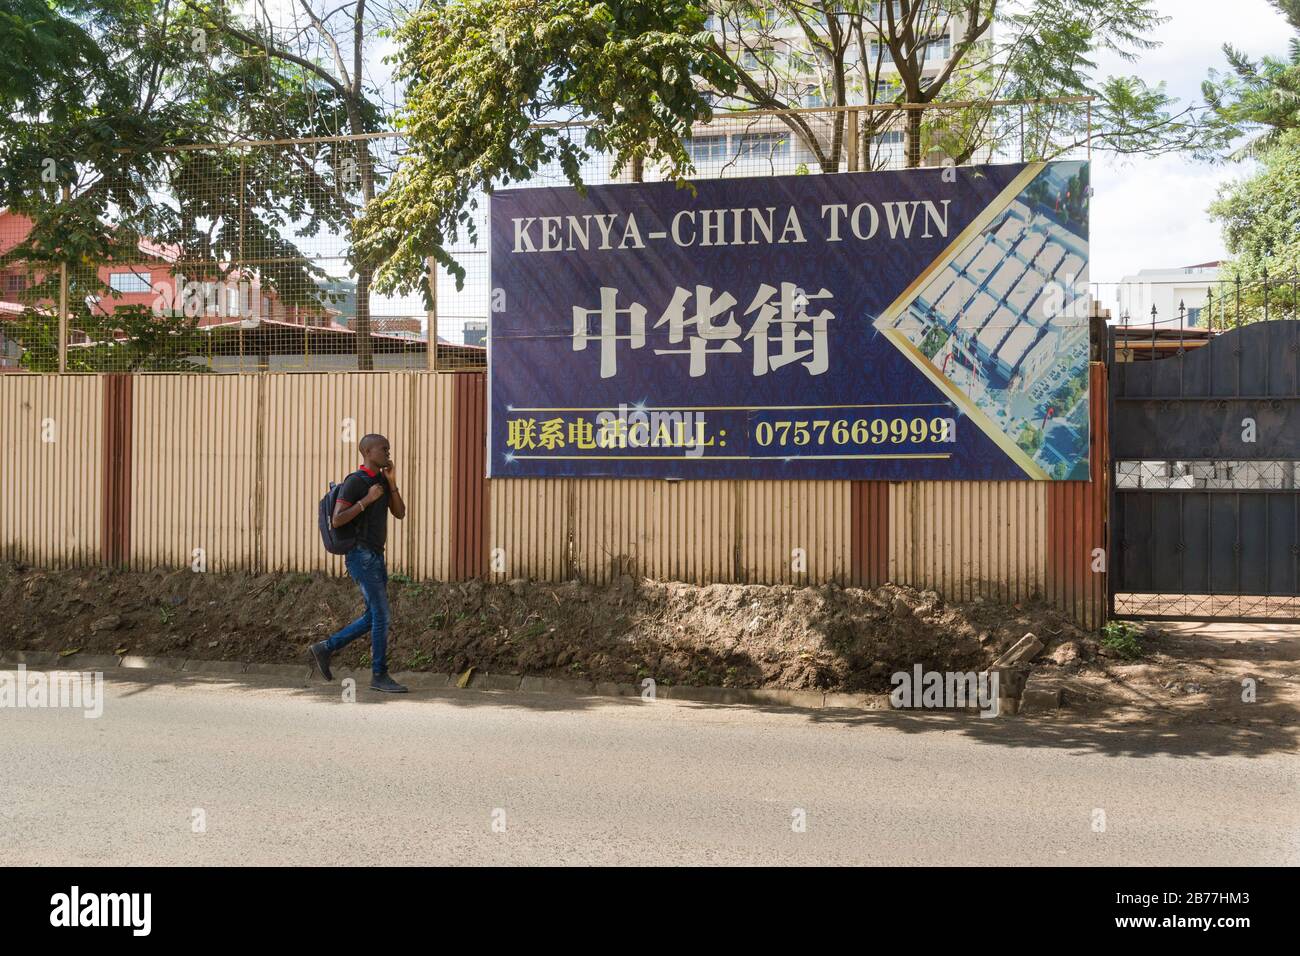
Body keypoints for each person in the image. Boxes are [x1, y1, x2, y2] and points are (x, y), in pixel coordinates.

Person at [309, 433, 408, 693]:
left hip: (376, 554)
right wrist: (367, 500)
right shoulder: (355, 482)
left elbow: (400, 513)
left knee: (372, 616)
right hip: (360, 555)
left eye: (388, 448)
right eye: (383, 448)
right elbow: (337, 520)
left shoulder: (382, 482)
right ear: (367, 452)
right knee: (382, 615)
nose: (388, 452)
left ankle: (325, 648)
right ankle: (379, 674)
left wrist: (392, 484)